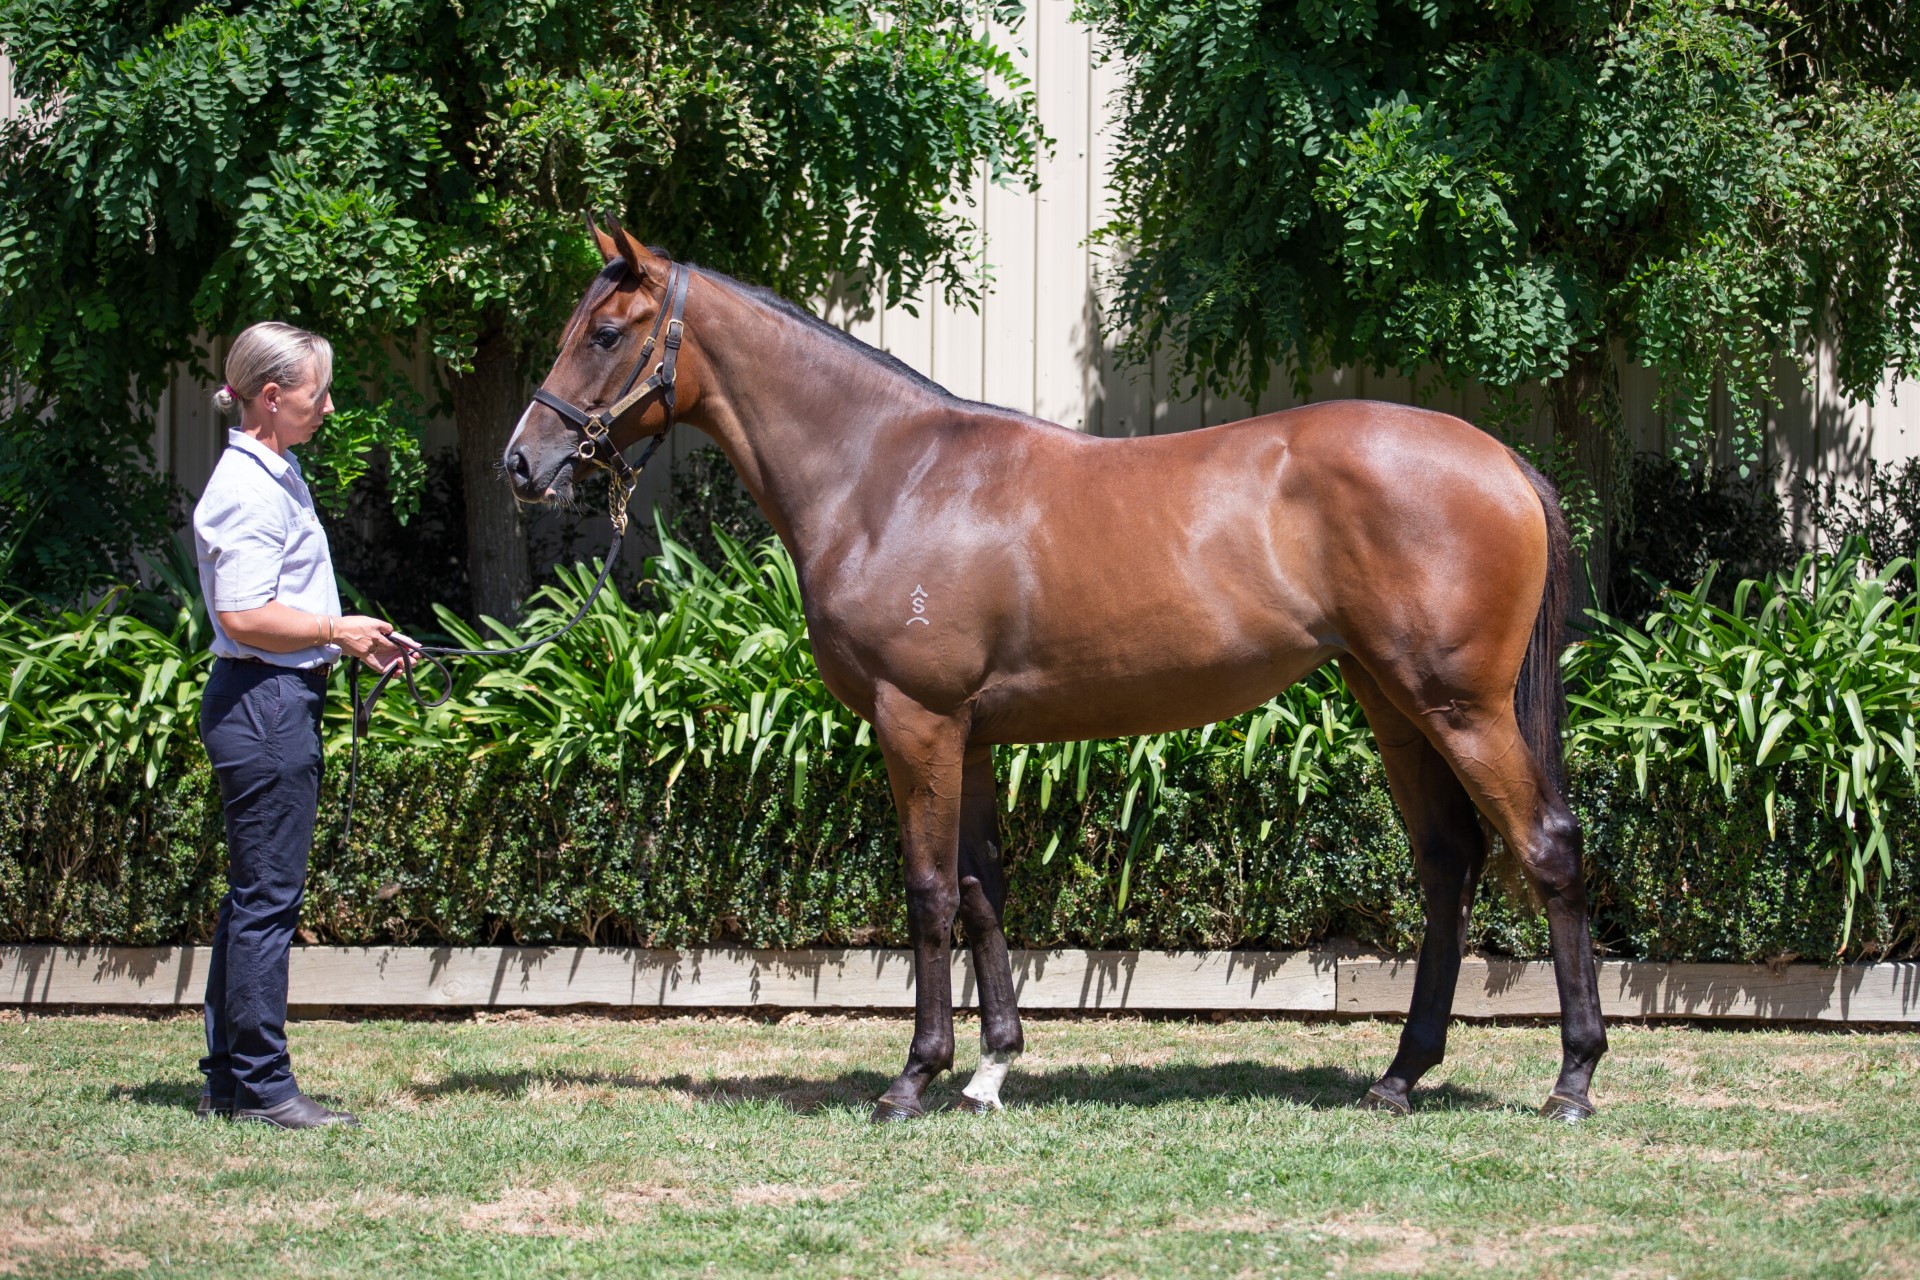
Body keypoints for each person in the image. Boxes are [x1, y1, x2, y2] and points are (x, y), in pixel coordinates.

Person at [191, 322, 411, 1129]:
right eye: (318, 393)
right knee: (267, 901)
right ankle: (262, 1087)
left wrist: (354, 637)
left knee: (253, 896)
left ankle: (228, 1077)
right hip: (264, 704)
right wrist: (335, 632)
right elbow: (246, 615)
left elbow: (277, 602)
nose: (328, 406)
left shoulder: (275, 472)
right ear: (273, 398)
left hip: (274, 697)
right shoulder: (248, 488)